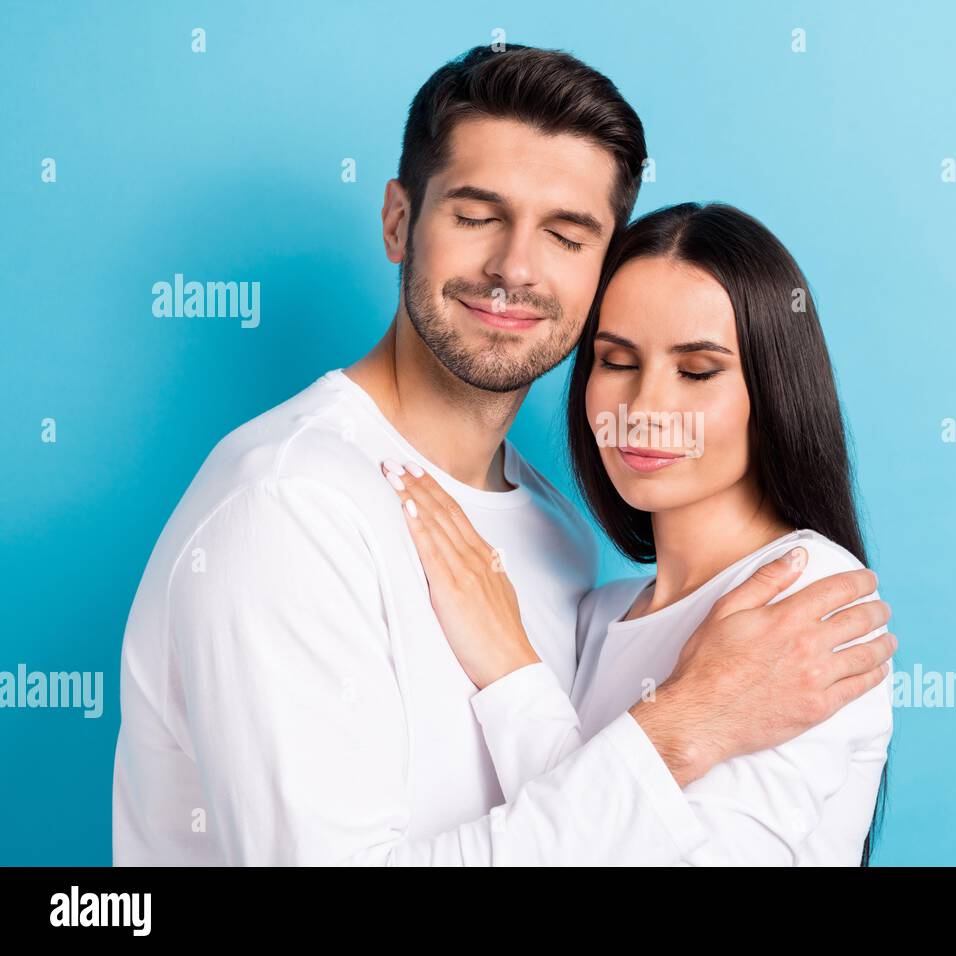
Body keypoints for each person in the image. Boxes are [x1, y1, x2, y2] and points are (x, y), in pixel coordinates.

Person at [112, 44, 896, 865]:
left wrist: (529, 678)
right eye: (477, 215)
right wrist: (689, 722)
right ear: (397, 220)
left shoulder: (561, 540)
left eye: (566, 234)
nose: (514, 267)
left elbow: (580, 815)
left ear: (602, 269)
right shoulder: (290, 508)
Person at [384, 202, 893, 865]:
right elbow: (567, 825)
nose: (645, 409)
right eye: (618, 361)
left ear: (774, 389)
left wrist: (511, 671)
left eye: (697, 371)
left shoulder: (811, 594)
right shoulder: (596, 616)